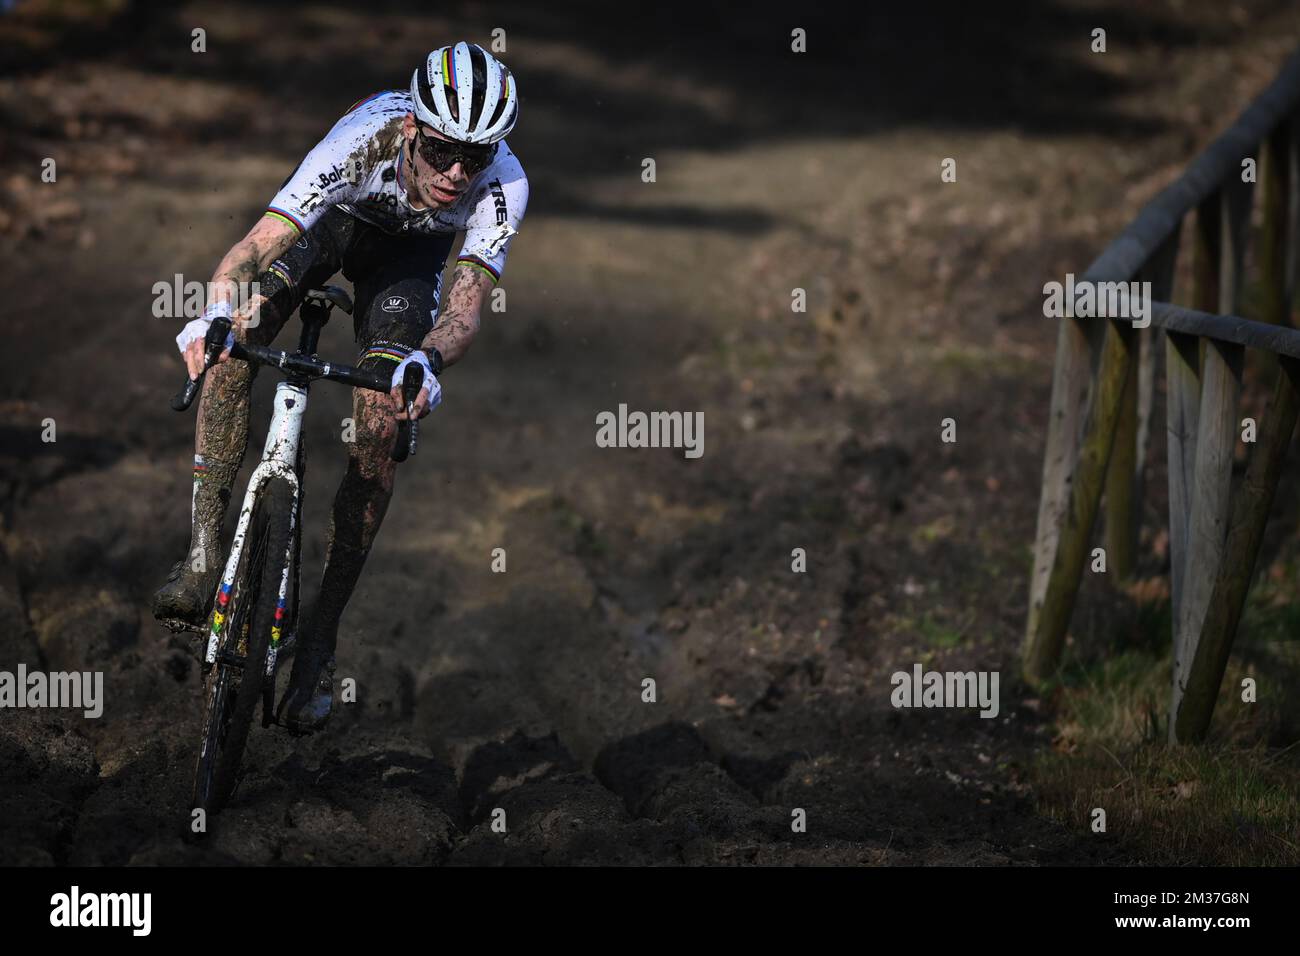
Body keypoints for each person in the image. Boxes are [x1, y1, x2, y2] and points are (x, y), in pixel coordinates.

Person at [153, 41, 528, 733]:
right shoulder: (362, 140)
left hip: (407, 264)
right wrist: (213, 313)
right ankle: (205, 555)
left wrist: (428, 364)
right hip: (332, 226)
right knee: (237, 346)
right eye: (444, 150)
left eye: (474, 159)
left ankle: (319, 645)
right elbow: (255, 246)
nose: (456, 173)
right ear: (413, 128)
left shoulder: (505, 183)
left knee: (382, 423)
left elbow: (466, 308)